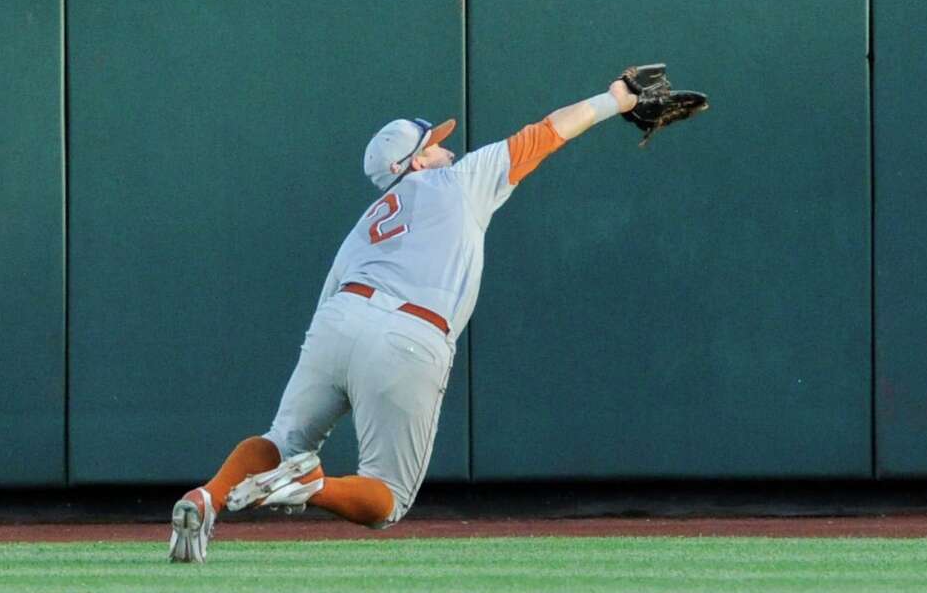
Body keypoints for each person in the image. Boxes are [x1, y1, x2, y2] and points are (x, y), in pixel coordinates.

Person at [168, 73, 640, 562]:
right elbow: (548, 133)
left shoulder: (366, 223)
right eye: (434, 144)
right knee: (387, 498)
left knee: (282, 438)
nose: (446, 149)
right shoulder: (459, 180)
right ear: (414, 161)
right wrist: (614, 99)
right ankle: (312, 487)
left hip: (339, 320)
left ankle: (207, 497)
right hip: (410, 333)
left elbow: (325, 305)